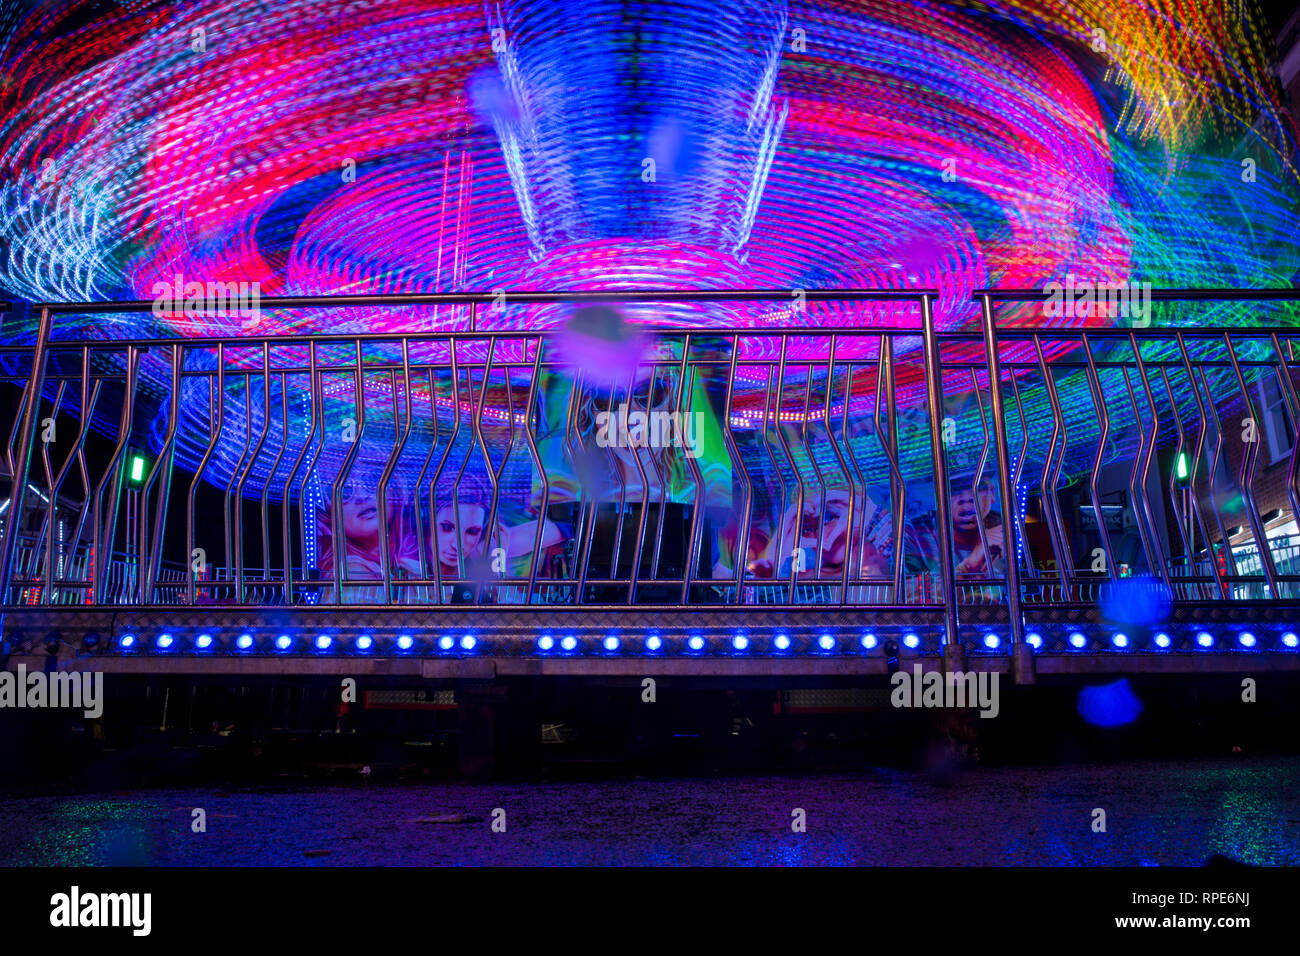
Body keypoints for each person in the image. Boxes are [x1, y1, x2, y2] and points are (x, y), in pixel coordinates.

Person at [316, 478, 422, 604]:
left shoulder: (402, 562)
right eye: (346, 493)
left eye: (371, 483)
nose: (361, 497)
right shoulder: (353, 573)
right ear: (329, 513)